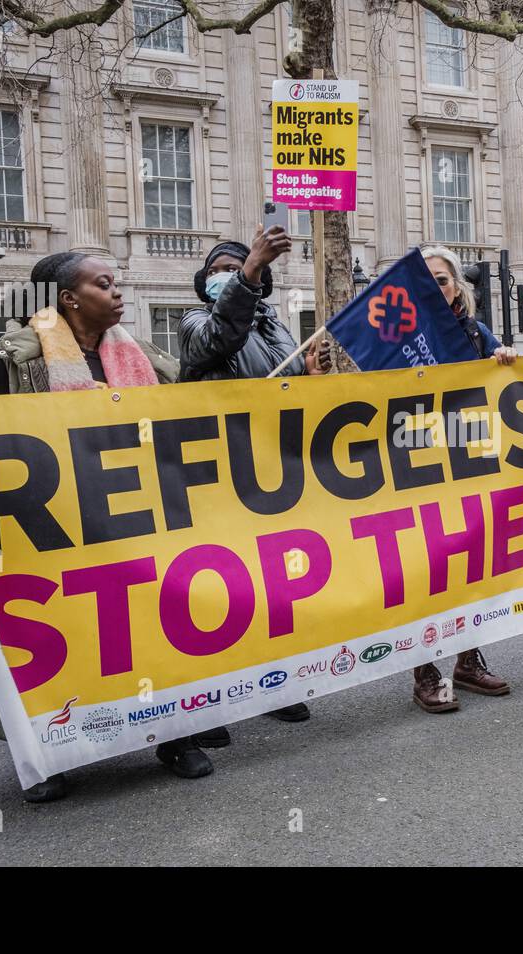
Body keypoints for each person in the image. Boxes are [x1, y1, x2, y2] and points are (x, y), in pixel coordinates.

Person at [0, 252, 205, 801]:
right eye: (104, 284)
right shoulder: (15, 356)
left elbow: (190, 407)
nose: (118, 292)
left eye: (117, 282)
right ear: (68, 297)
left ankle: (174, 735)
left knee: (145, 629)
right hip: (52, 531)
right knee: (62, 637)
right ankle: (48, 754)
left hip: (132, 524)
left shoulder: (142, 355)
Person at [176, 228, 314, 738]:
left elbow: (292, 388)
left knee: (272, 589)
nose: (224, 277)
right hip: (219, 471)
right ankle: (207, 703)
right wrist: (249, 268)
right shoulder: (194, 322)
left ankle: (273, 686)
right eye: (217, 271)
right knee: (217, 593)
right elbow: (220, 340)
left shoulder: (278, 328)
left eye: (233, 269)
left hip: (275, 473)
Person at [410, 245, 518, 711]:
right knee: (428, 570)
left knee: (471, 564)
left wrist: (508, 360)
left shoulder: (476, 333)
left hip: (471, 459)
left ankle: (467, 661)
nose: (437, 287)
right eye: (427, 280)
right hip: (420, 463)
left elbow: (510, 374)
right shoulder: (403, 335)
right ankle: (425, 672)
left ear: (457, 287)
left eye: (443, 279)